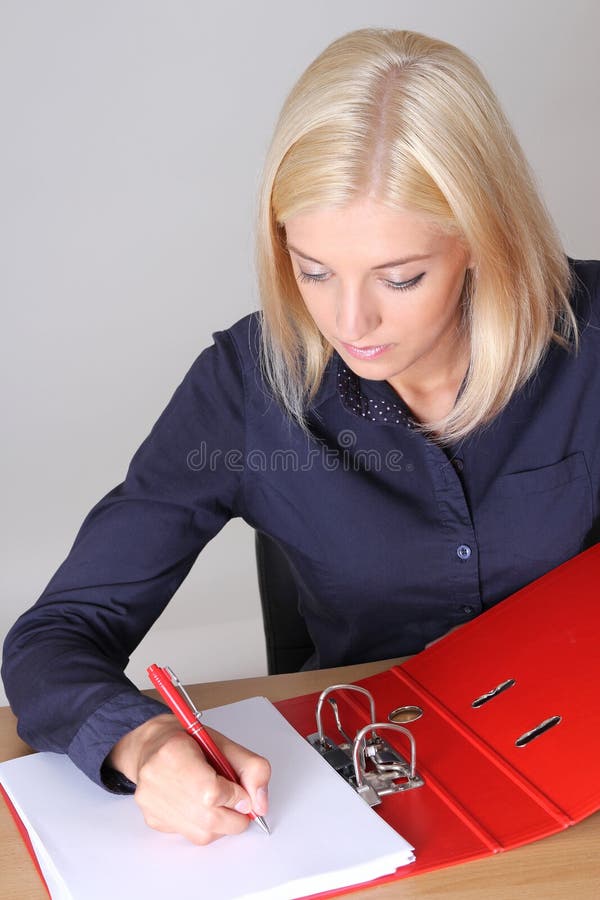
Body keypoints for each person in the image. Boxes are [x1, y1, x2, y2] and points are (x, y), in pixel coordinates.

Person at [2, 27, 598, 847]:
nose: (351, 323)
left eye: (400, 277)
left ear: (479, 238)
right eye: (313, 270)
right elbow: (52, 638)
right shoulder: (247, 388)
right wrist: (141, 742)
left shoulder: (589, 345)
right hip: (366, 802)